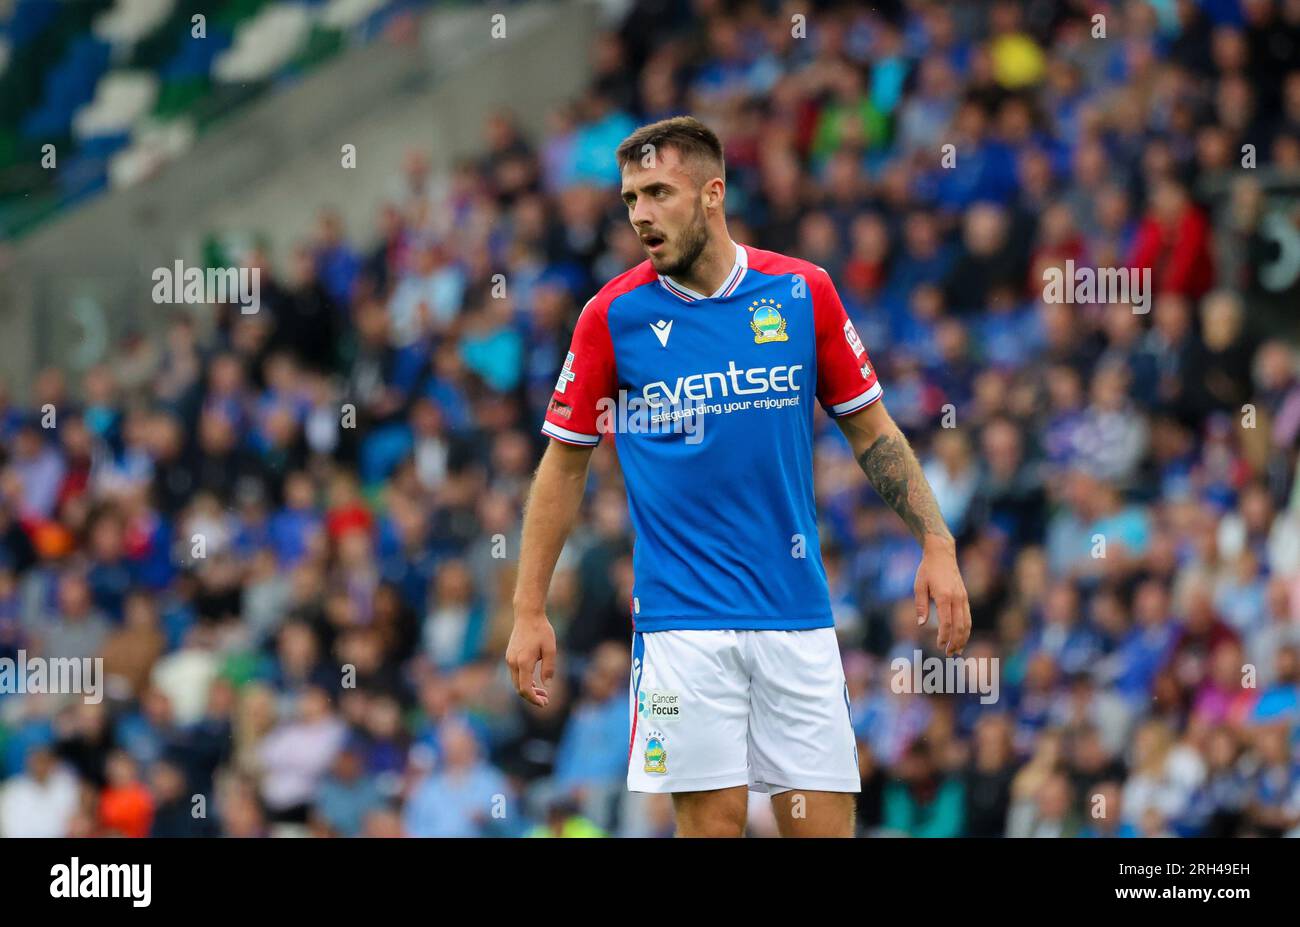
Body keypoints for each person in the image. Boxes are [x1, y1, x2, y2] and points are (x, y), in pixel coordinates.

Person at [505, 117, 971, 837]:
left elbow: (872, 430)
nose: (642, 215)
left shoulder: (802, 292)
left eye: (659, 192)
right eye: (631, 199)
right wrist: (530, 608)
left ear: (713, 193)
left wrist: (935, 541)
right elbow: (563, 466)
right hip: (678, 626)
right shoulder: (611, 318)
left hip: (799, 615)